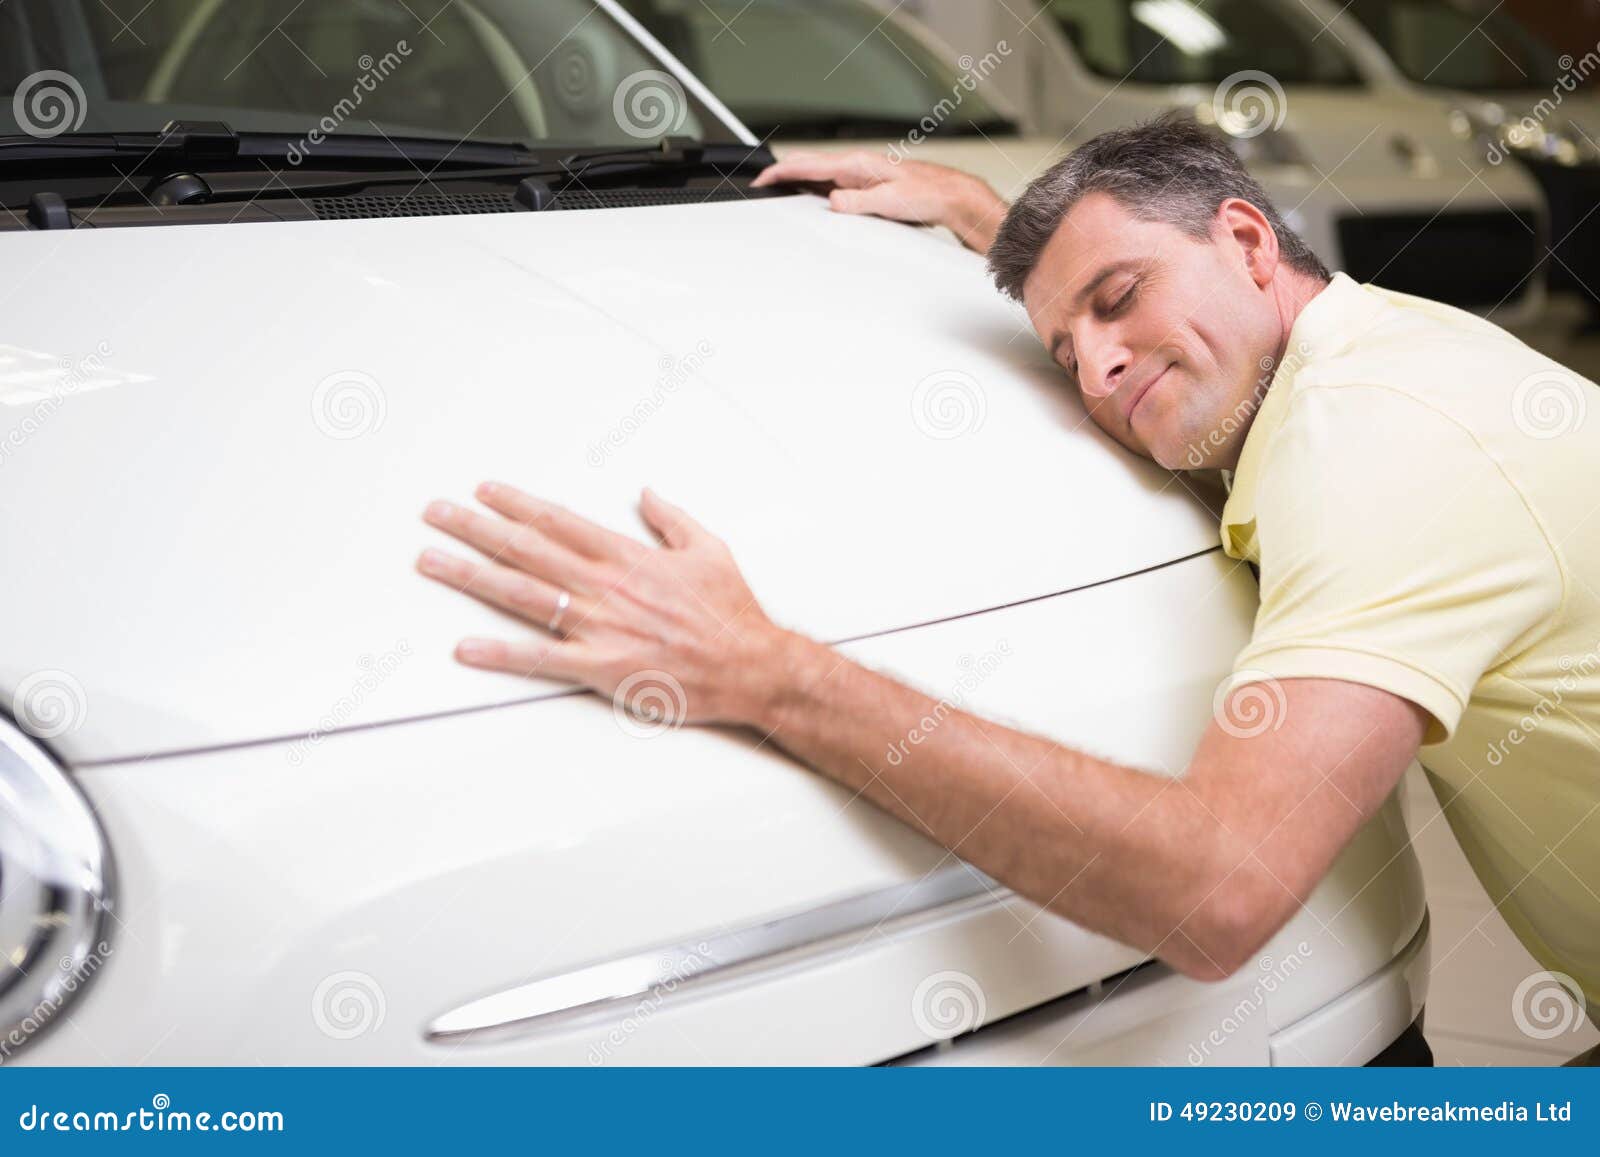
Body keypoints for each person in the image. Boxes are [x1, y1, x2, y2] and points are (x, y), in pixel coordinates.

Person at [414, 116, 1599, 1057]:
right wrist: (1003, 224)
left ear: (1247, 241)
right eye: (1065, 344)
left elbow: (1218, 890)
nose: (1095, 367)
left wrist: (765, 670)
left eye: (1118, 298)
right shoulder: (1364, 353)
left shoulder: (1383, 451)